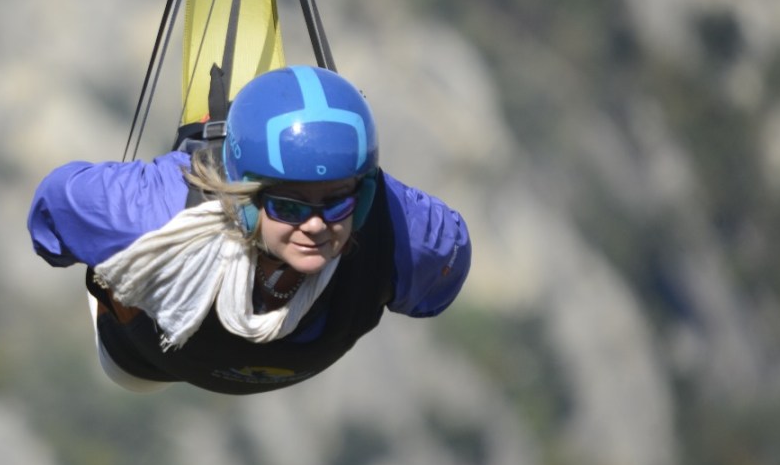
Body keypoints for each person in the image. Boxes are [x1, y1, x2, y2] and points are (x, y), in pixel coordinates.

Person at [27, 65, 471, 394]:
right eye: (288, 205)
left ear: (366, 193)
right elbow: (52, 210)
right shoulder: (156, 211)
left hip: (212, 357)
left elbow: (447, 269)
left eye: (336, 201)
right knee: (132, 377)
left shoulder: (401, 233)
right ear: (245, 195)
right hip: (144, 354)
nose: (316, 225)